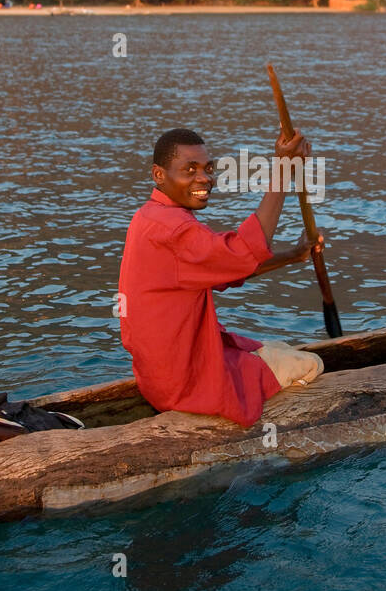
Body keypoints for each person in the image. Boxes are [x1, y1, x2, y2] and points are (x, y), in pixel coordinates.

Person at [117, 127, 326, 426]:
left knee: (279, 349)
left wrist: (294, 254)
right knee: (311, 363)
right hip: (190, 384)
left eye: (208, 169)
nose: (204, 178)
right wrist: (283, 167)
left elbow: (224, 268)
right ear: (158, 175)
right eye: (190, 170)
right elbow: (242, 253)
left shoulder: (149, 216)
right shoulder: (175, 229)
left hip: (156, 379)